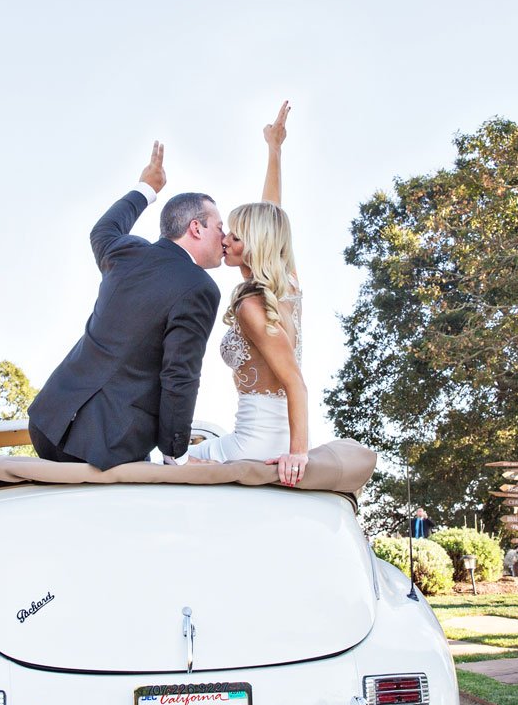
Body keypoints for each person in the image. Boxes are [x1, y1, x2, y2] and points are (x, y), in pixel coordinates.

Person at [28, 143, 222, 471]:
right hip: (109, 446)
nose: (225, 236)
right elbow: (179, 375)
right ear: (196, 228)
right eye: (219, 227)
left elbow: (103, 229)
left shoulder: (126, 252)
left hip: (49, 420)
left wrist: (146, 187)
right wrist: (176, 453)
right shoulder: (199, 288)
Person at [187, 102, 309, 486]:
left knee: (164, 457)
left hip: (253, 445)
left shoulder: (252, 304)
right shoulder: (287, 285)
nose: (224, 240)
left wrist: (299, 453)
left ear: (253, 245)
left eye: (234, 236)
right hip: (268, 434)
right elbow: (271, 213)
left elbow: (295, 381)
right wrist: (274, 150)